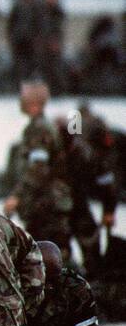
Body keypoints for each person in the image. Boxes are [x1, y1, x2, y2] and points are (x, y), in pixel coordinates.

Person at [3, 81, 72, 256]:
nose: (19, 101)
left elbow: (38, 168)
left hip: (46, 205)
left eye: (23, 97)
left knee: (47, 256)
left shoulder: (38, 129)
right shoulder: (40, 126)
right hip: (47, 204)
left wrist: (16, 196)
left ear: (33, 103)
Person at [61, 103, 117, 266]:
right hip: (72, 198)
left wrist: (109, 210)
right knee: (88, 242)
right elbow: (106, 183)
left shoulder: (79, 135)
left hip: (70, 198)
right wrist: (109, 210)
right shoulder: (91, 152)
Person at [7, 0, 41, 84]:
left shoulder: (35, 2)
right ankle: (19, 85)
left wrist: (38, 37)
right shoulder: (17, 1)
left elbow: (39, 21)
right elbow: (11, 21)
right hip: (18, 39)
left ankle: (30, 85)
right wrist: (10, 36)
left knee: (32, 65)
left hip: (31, 39)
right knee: (18, 65)